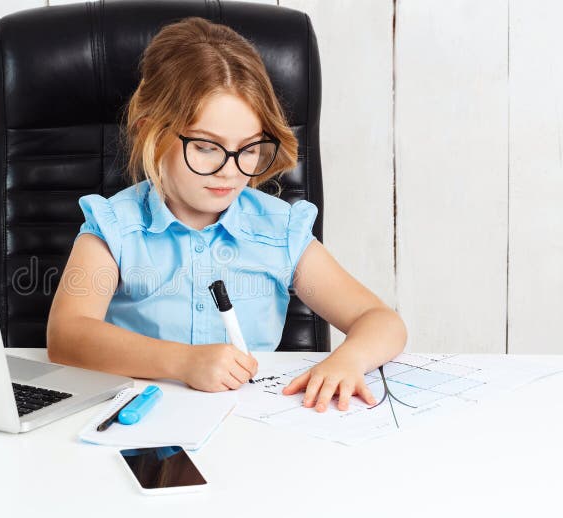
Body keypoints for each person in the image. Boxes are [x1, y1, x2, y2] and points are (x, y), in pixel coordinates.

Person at [46, 17, 407, 413]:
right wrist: (183, 362)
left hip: (247, 424)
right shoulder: (116, 227)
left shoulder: (277, 231)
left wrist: (348, 359)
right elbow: (67, 337)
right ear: (152, 132)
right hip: (137, 417)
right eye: (205, 147)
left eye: (249, 148)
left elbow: (381, 321)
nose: (230, 170)